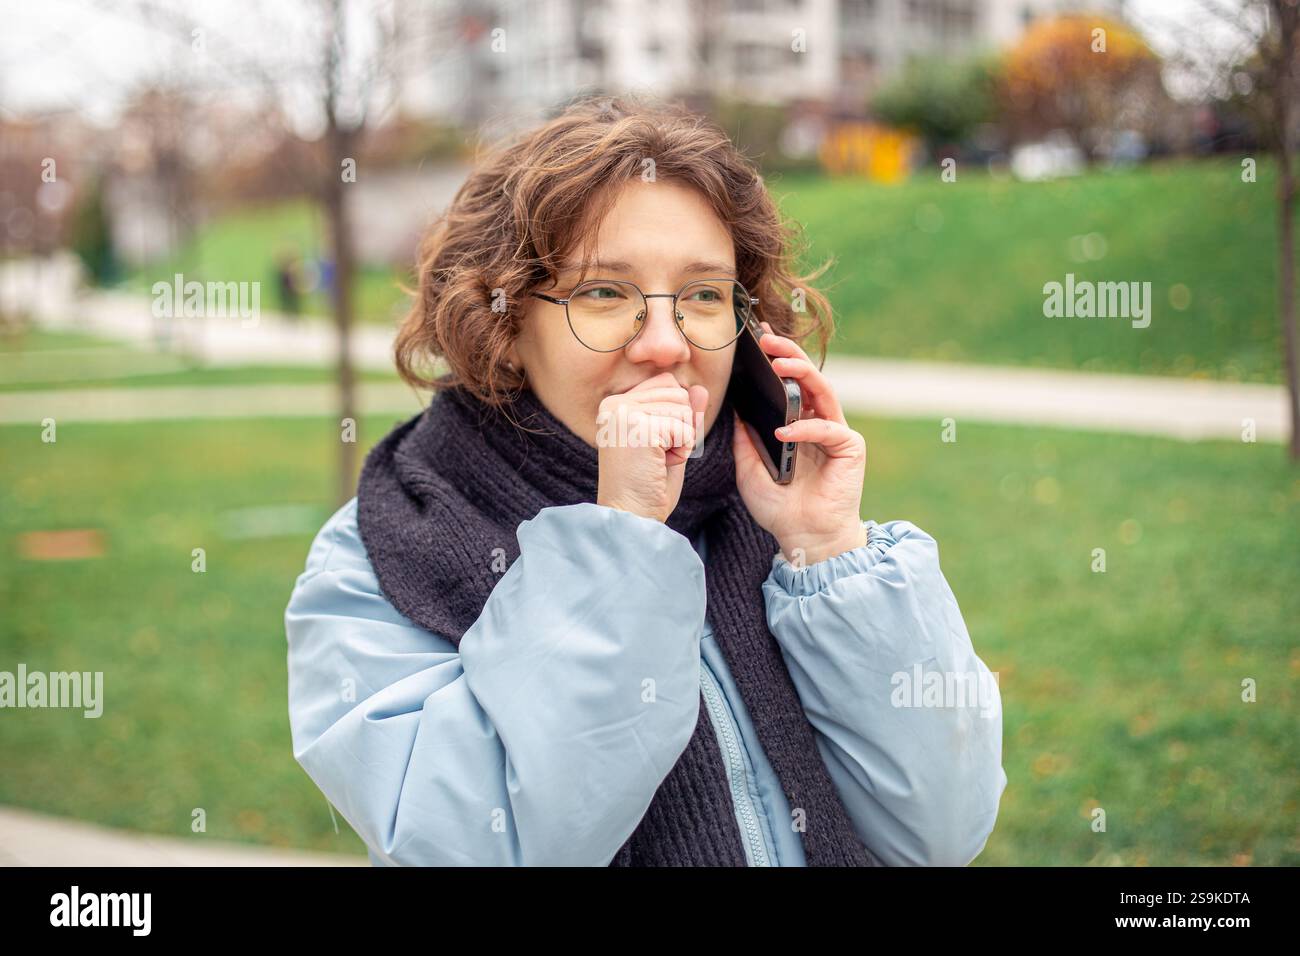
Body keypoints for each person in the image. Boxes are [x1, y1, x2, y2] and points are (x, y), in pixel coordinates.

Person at [284, 94, 1007, 867]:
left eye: (701, 295)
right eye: (604, 293)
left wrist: (828, 550)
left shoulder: (777, 507)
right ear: (501, 326)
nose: (664, 344)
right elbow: (482, 845)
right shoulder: (385, 551)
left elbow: (938, 834)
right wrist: (622, 537)